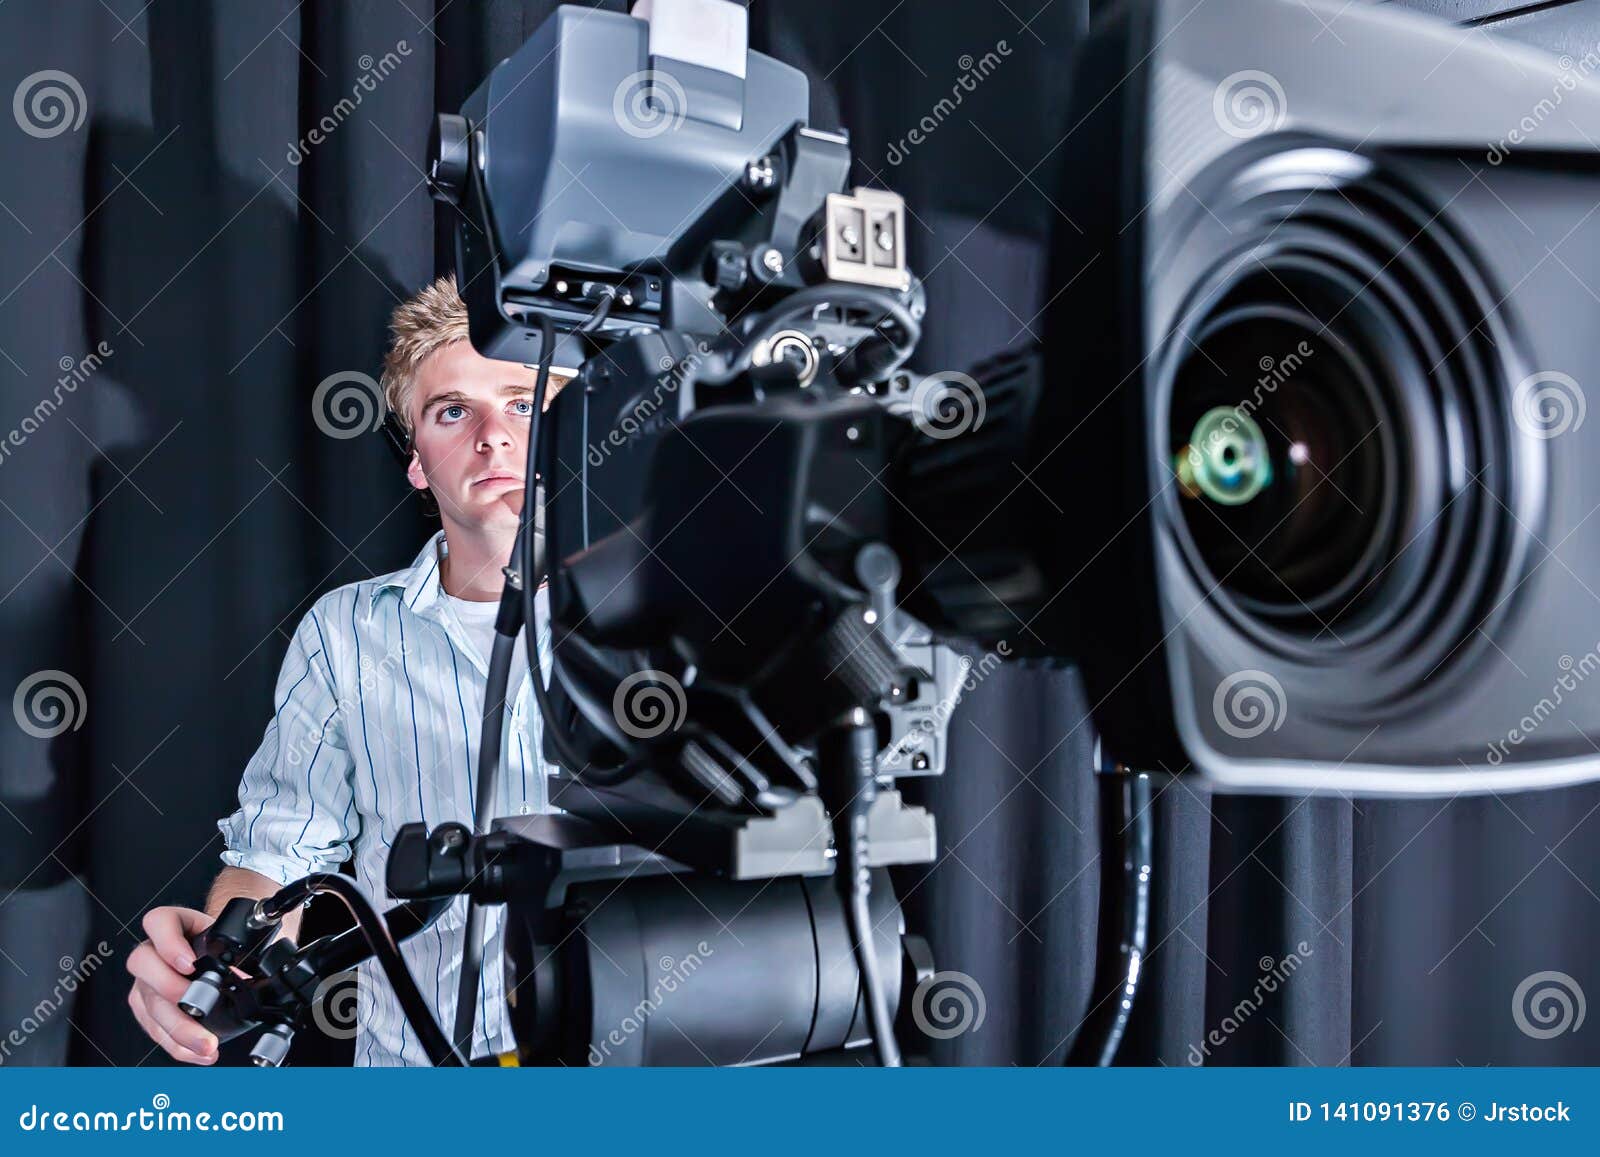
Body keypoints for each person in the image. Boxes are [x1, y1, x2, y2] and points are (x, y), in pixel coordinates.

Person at [124, 275, 568, 1065]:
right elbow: (277, 853)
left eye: (524, 404)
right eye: (453, 411)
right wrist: (223, 962)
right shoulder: (347, 631)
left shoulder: (678, 615)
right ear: (417, 463)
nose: (494, 437)